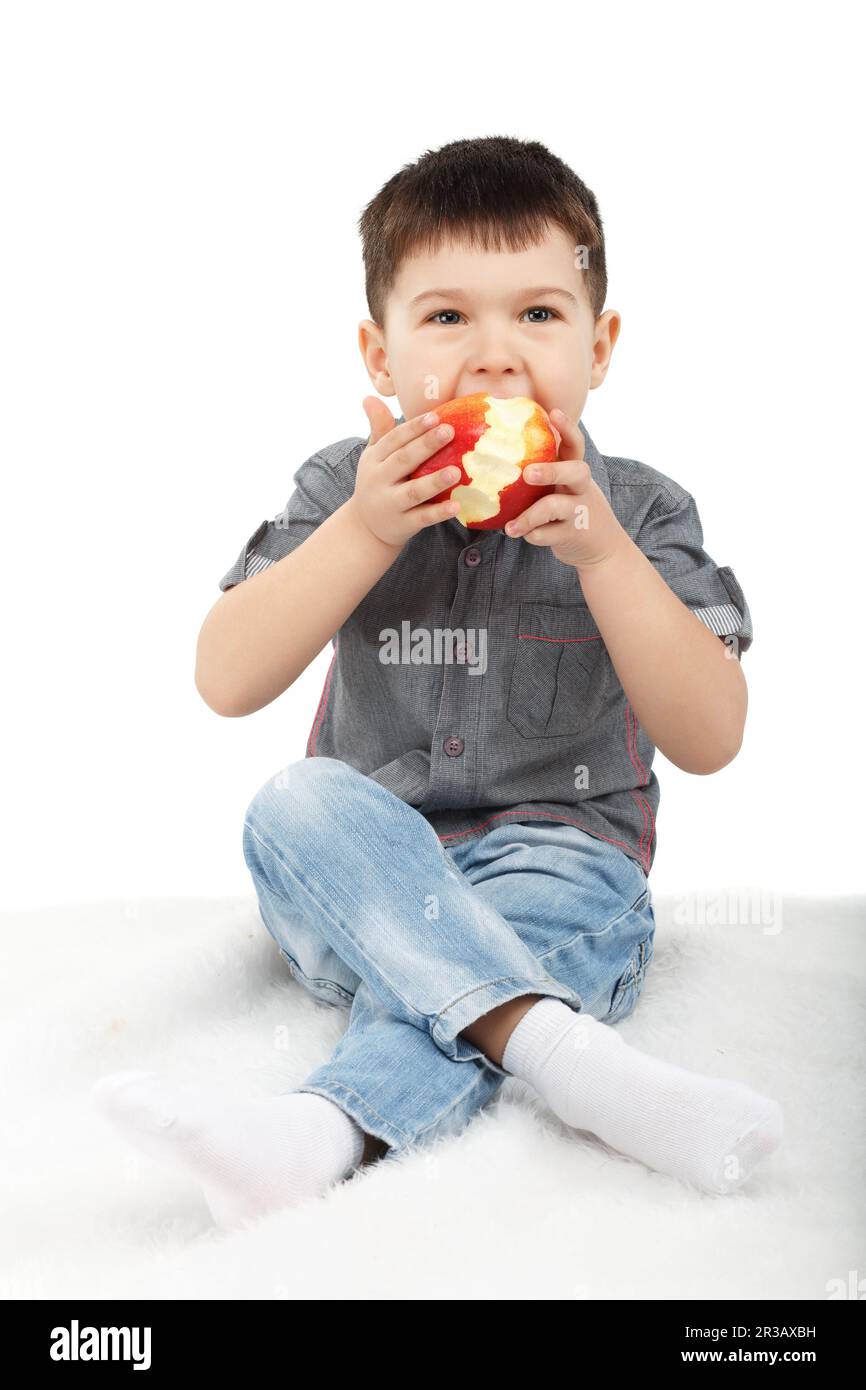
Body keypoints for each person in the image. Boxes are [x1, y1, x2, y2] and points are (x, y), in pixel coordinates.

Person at [91, 135, 782, 1232]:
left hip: (560, 866)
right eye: (448, 317)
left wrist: (603, 559)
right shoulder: (340, 485)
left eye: (538, 316)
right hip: (360, 872)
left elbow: (709, 735)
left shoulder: (641, 514)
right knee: (291, 800)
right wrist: (365, 529)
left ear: (599, 347)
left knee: (519, 914)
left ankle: (317, 1132)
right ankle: (564, 1053)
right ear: (380, 352)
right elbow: (224, 679)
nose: (494, 356)